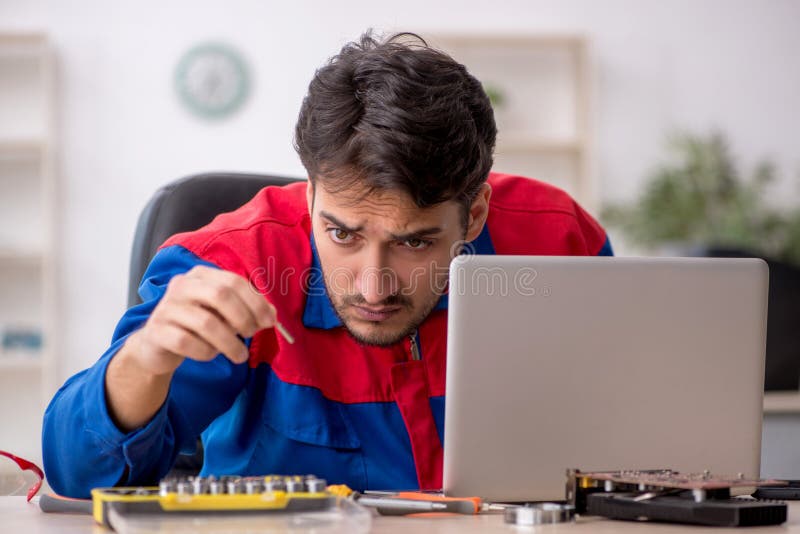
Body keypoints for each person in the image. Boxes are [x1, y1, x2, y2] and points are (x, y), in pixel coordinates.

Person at [43, 31, 613, 498]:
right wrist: (143, 357)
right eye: (342, 233)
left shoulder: (560, 242)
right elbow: (78, 476)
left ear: (474, 215)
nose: (374, 286)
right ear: (311, 197)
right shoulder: (230, 264)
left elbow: (624, 440)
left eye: (415, 242)